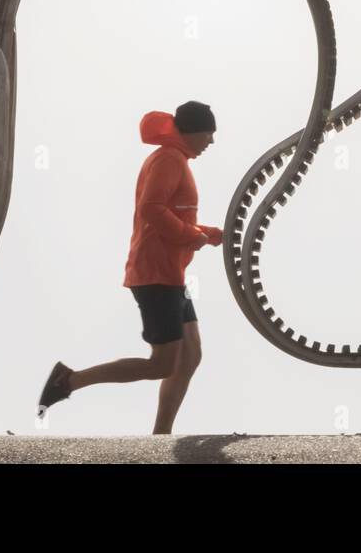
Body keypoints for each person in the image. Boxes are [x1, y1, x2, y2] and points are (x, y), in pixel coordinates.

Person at [37, 101, 224, 434]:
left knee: (191, 355)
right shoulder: (169, 158)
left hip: (170, 275)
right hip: (155, 275)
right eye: (209, 133)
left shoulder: (176, 158)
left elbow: (175, 218)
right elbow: (152, 209)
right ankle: (69, 380)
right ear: (195, 130)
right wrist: (191, 234)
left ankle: (161, 433)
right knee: (162, 364)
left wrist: (207, 234)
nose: (211, 141)